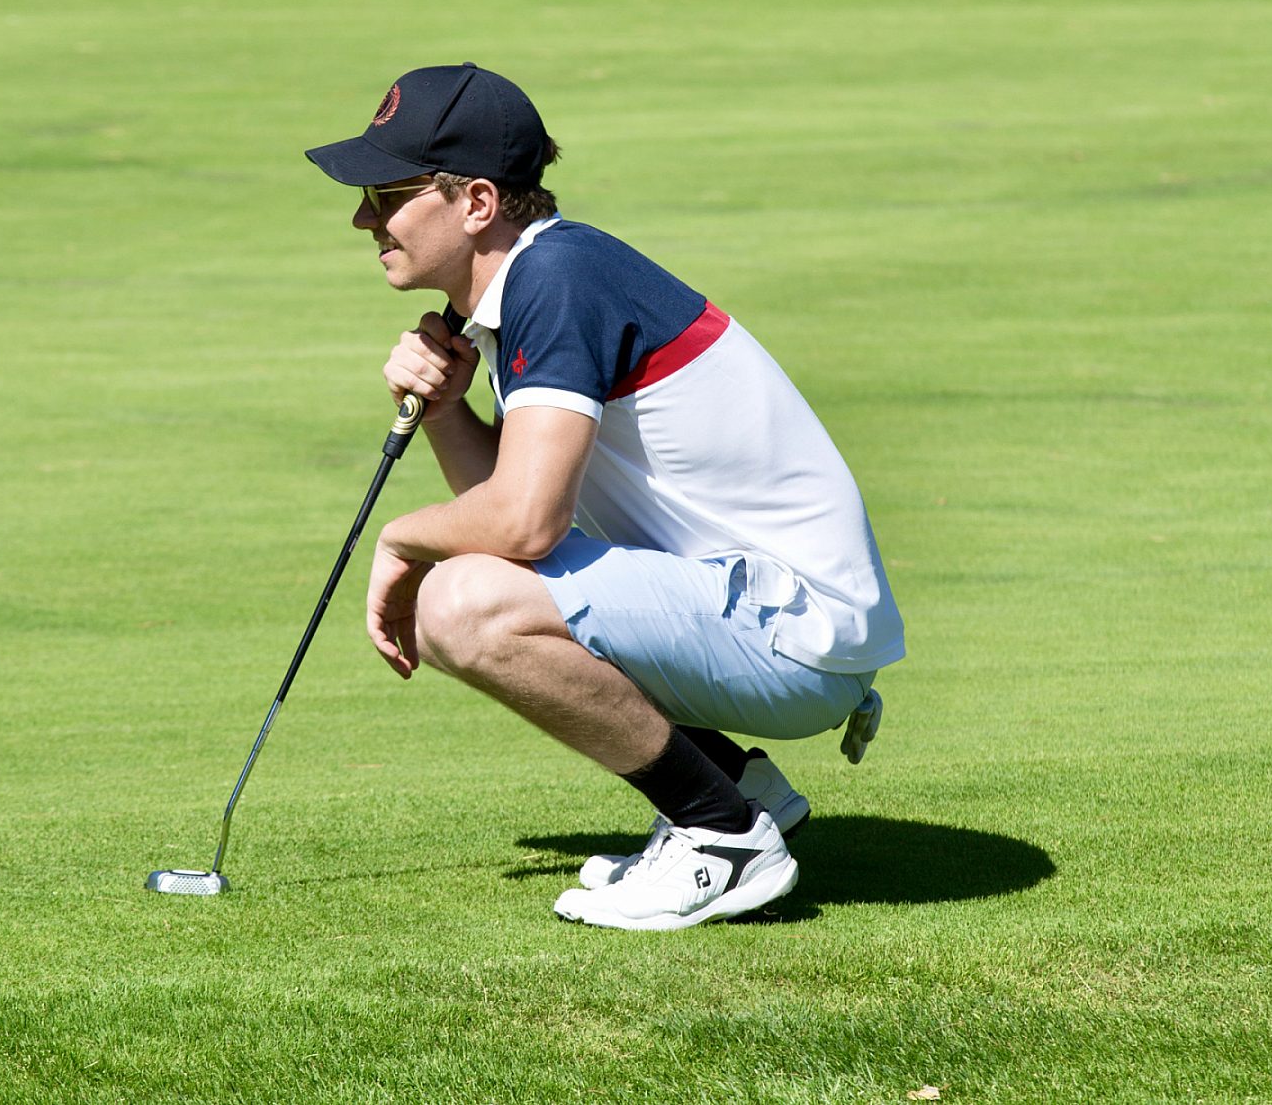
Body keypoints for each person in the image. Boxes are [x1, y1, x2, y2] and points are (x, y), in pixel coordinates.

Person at [305, 63, 905, 931]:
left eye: (386, 194)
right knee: (467, 594)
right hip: (770, 617)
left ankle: (724, 834)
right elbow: (512, 522)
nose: (364, 218)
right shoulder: (541, 276)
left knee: (461, 604)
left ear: (477, 203)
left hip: (800, 635)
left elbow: (524, 524)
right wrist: (445, 410)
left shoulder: (556, 279)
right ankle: (738, 786)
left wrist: (401, 538)